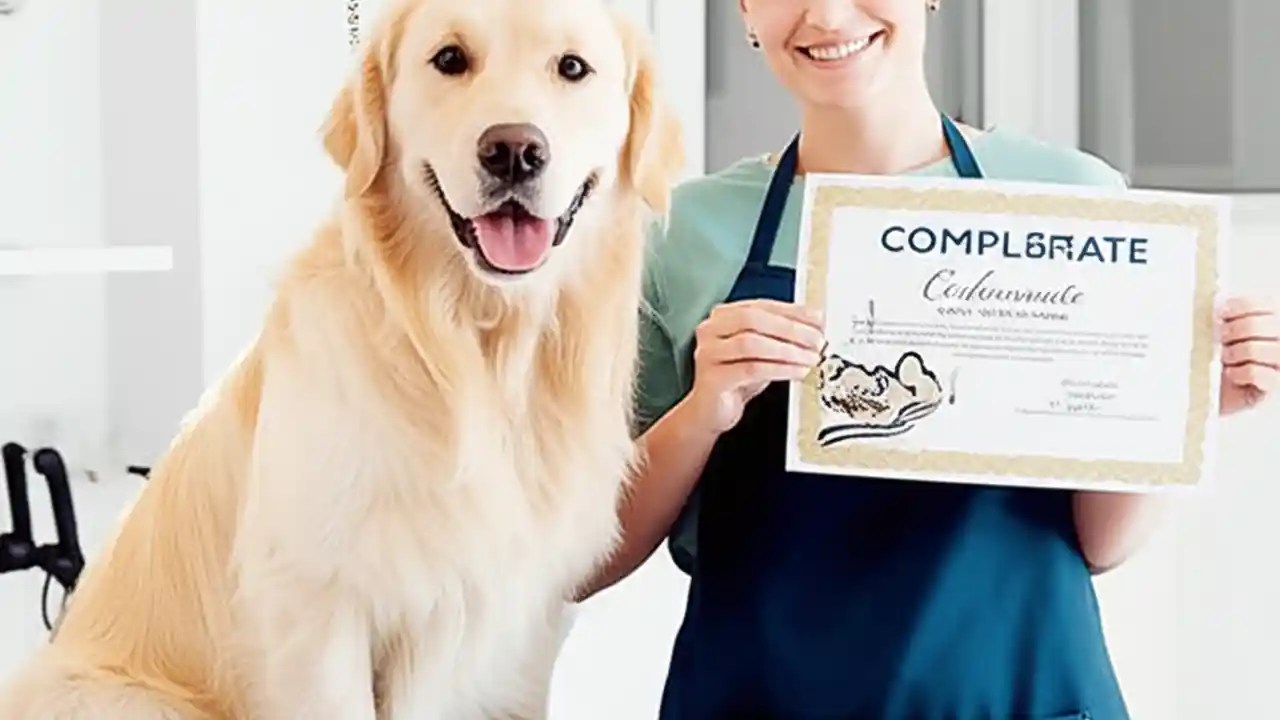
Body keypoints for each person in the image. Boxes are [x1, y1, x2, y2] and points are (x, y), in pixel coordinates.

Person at [576, 0, 1280, 718]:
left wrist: (1177, 403)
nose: (826, 14)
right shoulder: (683, 231)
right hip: (760, 697)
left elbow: (1099, 544)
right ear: (746, 10)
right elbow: (584, 559)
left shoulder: (1073, 200)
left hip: (1018, 697)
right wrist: (702, 413)